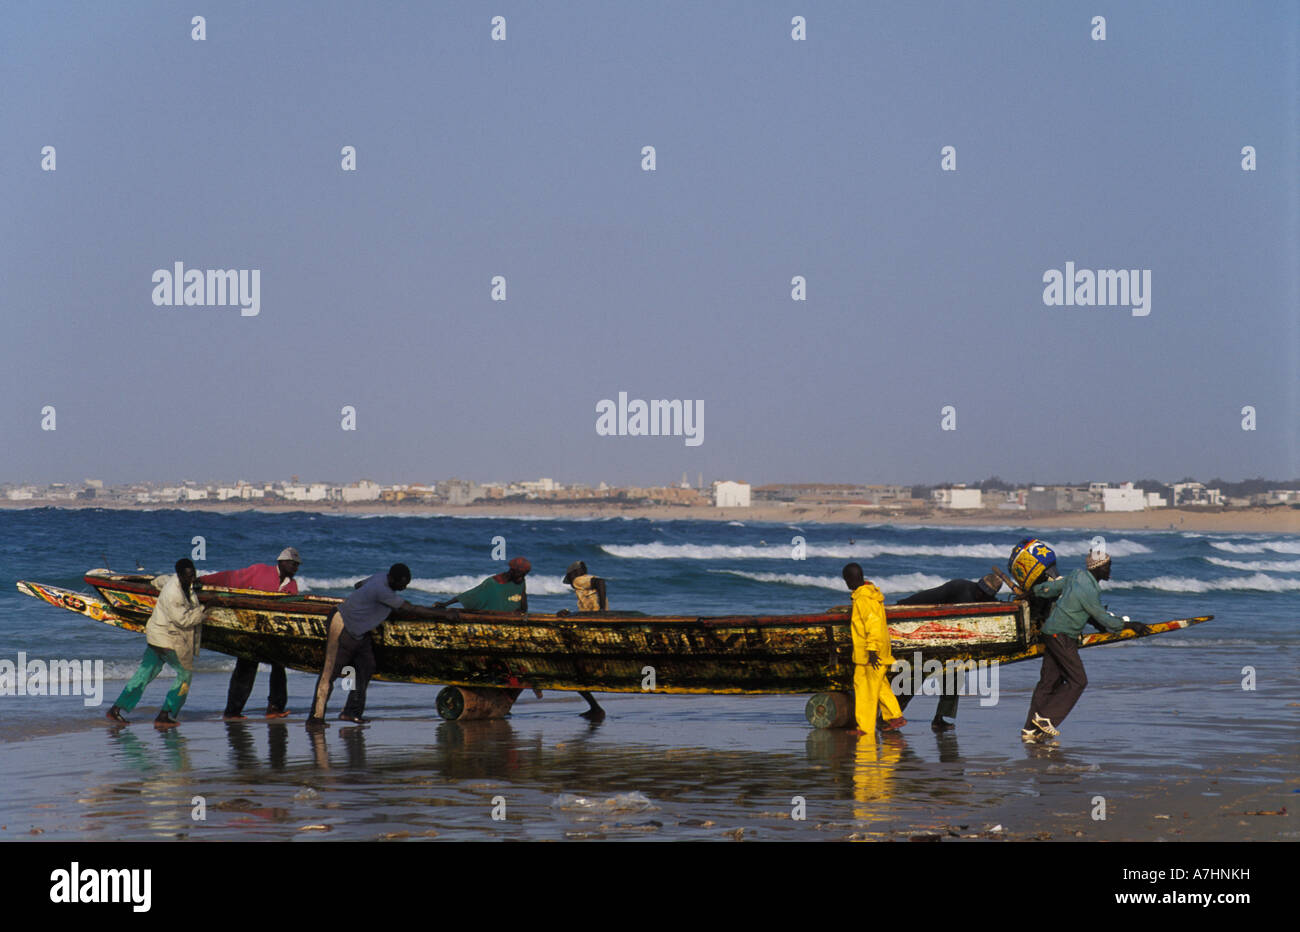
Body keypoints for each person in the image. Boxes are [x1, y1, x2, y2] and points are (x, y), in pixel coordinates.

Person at [1020, 547, 1149, 743]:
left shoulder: (1076, 575)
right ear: (1097, 568)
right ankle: (1046, 718)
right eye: (1107, 566)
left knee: (1047, 683)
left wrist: (1034, 591)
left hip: (1050, 633)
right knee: (1078, 681)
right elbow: (1102, 618)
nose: (1109, 570)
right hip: (1063, 637)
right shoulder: (1088, 590)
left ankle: (1029, 729)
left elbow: (1052, 588)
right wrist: (1131, 625)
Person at [306, 563, 438, 727]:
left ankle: (351, 712)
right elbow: (410, 608)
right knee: (330, 671)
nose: (403, 588)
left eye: (406, 585)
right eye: (402, 585)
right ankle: (315, 718)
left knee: (367, 666)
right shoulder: (382, 590)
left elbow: (358, 585)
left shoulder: (380, 577)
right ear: (392, 579)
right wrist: (443, 614)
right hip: (342, 625)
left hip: (361, 631)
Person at [894, 571, 1004, 731]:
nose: (981, 595)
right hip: (930, 640)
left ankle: (941, 719)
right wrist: (903, 605)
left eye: (986, 594)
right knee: (914, 678)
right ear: (978, 584)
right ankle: (890, 715)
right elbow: (928, 596)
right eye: (981, 591)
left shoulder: (987, 601)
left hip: (952, 647)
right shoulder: (959, 587)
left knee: (954, 679)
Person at [201, 547, 301, 721]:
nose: (295, 567)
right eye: (292, 563)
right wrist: (201, 580)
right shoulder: (259, 571)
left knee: (279, 666)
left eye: (297, 564)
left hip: (274, 634)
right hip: (249, 631)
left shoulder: (292, 585)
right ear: (281, 562)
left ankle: (275, 708)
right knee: (246, 667)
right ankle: (232, 712)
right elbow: (230, 577)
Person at [106, 558, 207, 727]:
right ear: (180, 575)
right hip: (168, 640)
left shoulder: (173, 581)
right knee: (185, 675)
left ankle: (116, 709)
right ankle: (166, 713)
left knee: (144, 674)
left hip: (155, 637)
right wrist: (204, 610)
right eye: (188, 576)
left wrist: (151, 581)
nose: (192, 579)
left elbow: (160, 581)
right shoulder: (173, 593)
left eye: (193, 575)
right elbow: (183, 620)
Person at [842, 563, 905, 735]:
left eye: (846, 580)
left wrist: (871, 651)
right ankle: (895, 716)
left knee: (865, 690)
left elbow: (873, 625)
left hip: (869, 653)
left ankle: (865, 728)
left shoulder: (863, 599)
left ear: (851, 579)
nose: (846, 584)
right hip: (877, 651)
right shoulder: (870, 595)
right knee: (879, 685)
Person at [557, 561, 609, 721]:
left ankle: (595, 708)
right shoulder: (586, 585)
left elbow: (600, 582)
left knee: (573, 667)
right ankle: (595, 707)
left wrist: (599, 612)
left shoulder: (579, 580)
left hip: (593, 629)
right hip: (596, 627)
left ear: (574, 574)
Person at [436, 557, 530, 612]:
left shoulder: (521, 582)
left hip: (511, 618)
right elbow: (470, 594)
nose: (522, 578)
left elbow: (524, 606)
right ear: (512, 571)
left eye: (524, 575)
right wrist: (446, 604)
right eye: (521, 574)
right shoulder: (492, 582)